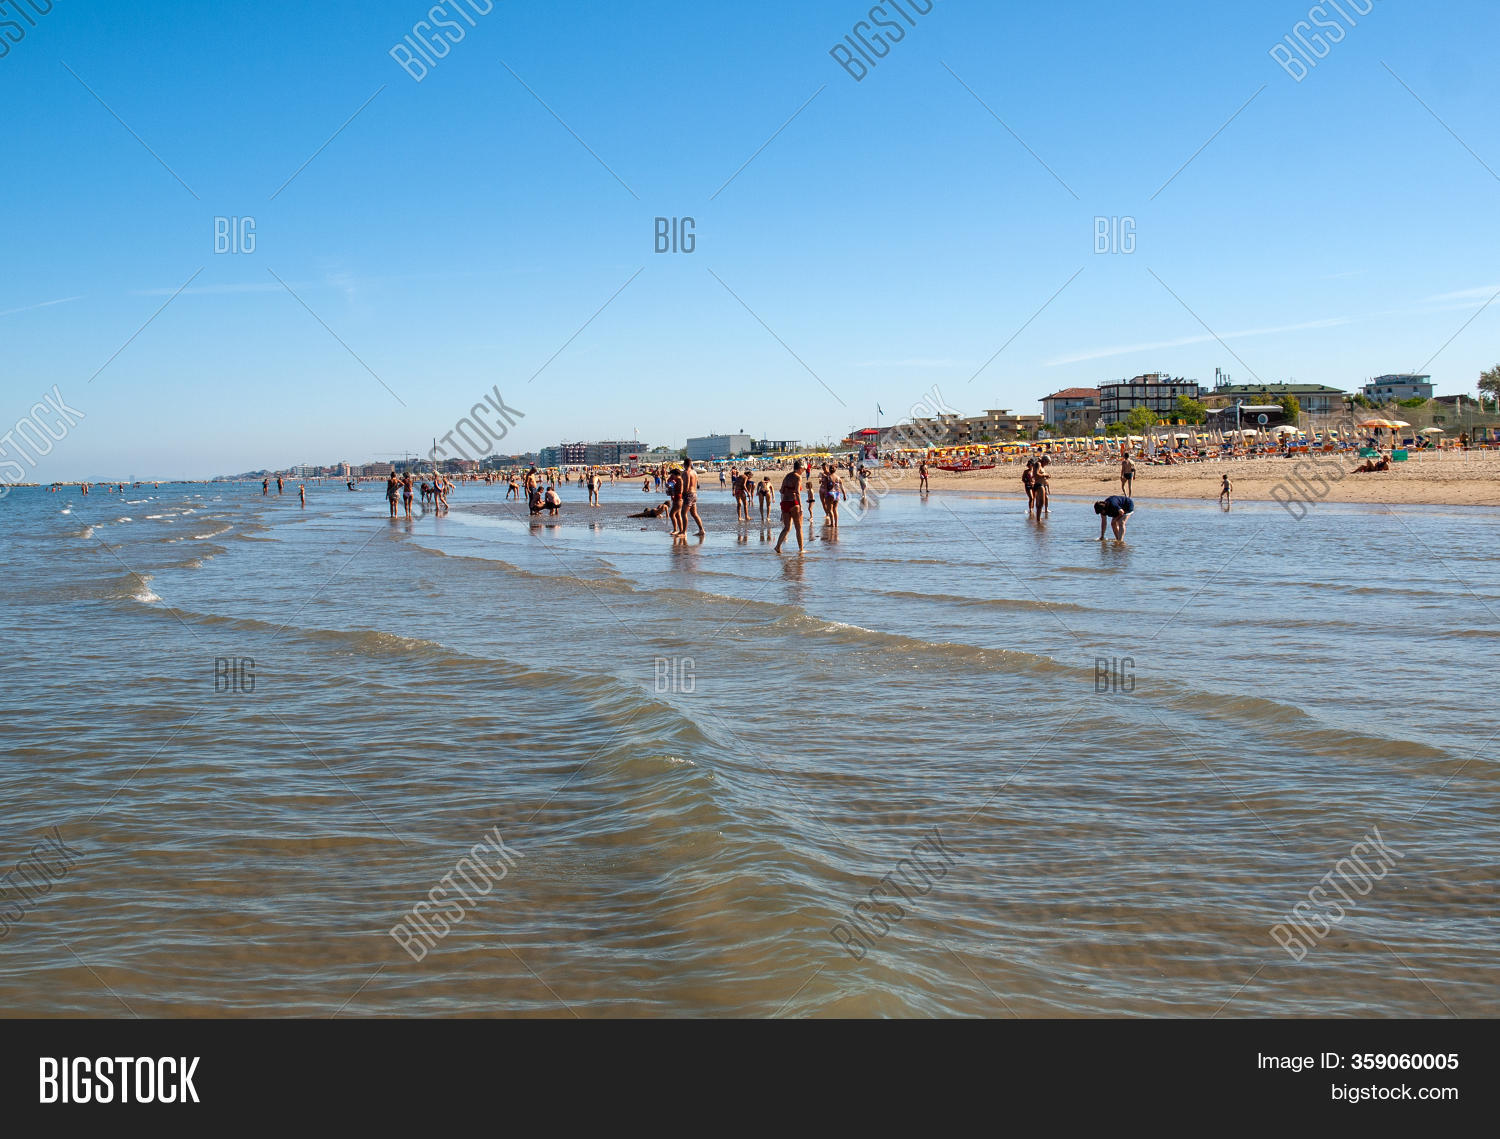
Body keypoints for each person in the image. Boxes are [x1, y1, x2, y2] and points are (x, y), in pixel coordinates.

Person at [774, 459, 810, 554]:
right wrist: (801, 506)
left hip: (785, 503)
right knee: (798, 527)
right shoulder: (798, 477)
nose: (804, 471)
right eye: (803, 469)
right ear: (800, 468)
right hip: (794, 503)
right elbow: (797, 492)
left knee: (787, 527)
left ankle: (777, 546)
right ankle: (801, 549)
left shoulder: (787, 476)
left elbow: (781, 490)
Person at [681, 461, 705, 536]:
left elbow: (687, 484)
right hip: (694, 494)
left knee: (683, 513)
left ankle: (684, 532)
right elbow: (697, 484)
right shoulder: (694, 472)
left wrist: (683, 494)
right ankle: (701, 530)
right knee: (694, 513)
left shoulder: (686, 473)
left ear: (684, 464)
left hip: (689, 494)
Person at [664, 467, 684, 534]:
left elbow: (680, 491)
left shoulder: (679, 479)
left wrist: (672, 491)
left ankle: (676, 530)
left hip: (678, 499)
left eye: (672, 475)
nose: (672, 476)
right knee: (678, 515)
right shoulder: (676, 480)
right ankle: (680, 530)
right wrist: (670, 491)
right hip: (676, 499)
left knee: (672, 514)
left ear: (675, 474)